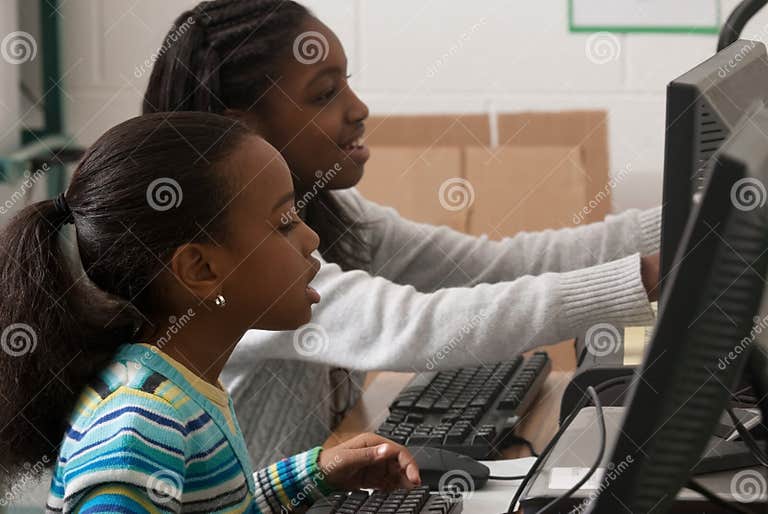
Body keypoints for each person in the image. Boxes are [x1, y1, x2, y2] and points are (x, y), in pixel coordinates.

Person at [143, 0, 662, 466]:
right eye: (325, 93)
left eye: (347, 82)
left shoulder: (327, 213)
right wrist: (641, 280)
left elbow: (496, 264)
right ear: (244, 132)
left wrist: (691, 221)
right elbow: (420, 326)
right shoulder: (232, 265)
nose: (359, 108)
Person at [0, 112, 419, 513]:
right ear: (200, 270)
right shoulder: (140, 426)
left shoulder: (182, 387)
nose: (310, 238)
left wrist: (315, 473)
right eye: (285, 222)